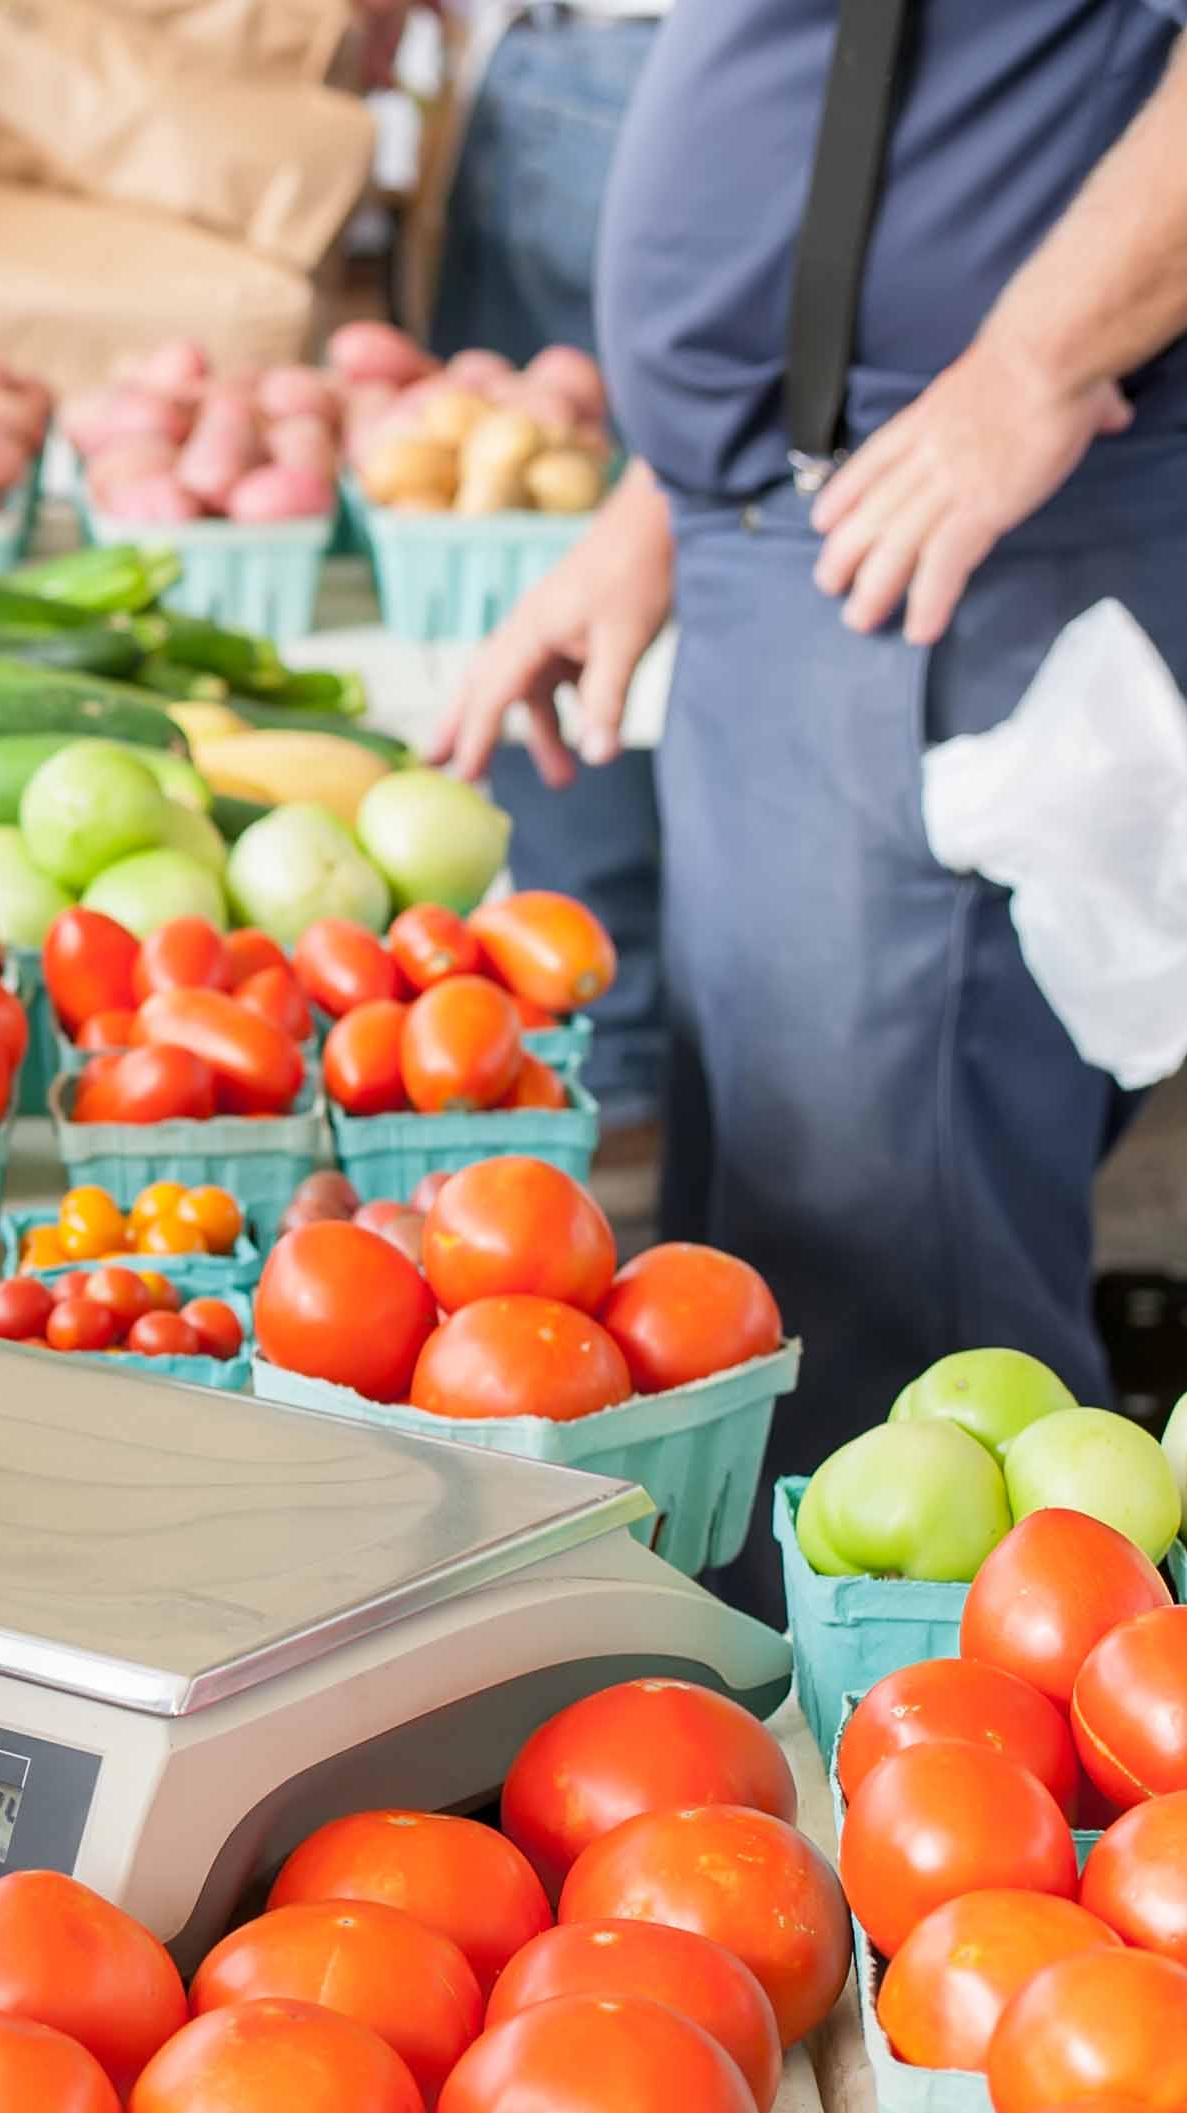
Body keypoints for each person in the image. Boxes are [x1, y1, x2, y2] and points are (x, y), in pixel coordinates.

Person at [441, 0, 1187, 1612]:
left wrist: (1032, 362)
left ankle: (980, 1832)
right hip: (817, 522)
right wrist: (681, 486)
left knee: (907, 1319)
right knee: (781, 1274)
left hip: (962, 532)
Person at [408, 1, 673, 1129]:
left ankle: (606, 1064)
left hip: (623, 59)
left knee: (582, 570)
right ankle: (611, 1062)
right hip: (580, 54)